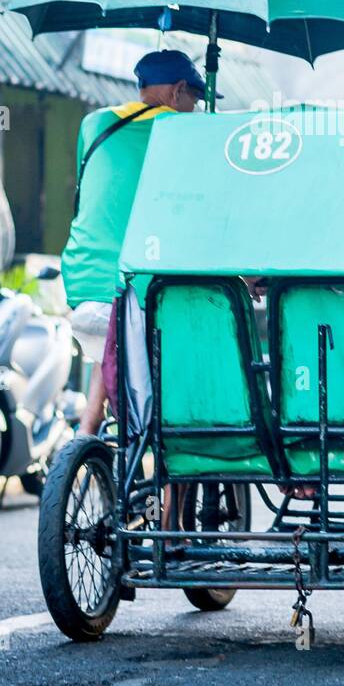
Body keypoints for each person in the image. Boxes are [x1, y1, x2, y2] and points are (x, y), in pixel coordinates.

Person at [62, 48, 214, 436]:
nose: (195, 110)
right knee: (179, 355)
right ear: (178, 91)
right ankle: (171, 480)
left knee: (114, 335)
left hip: (82, 286)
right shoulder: (185, 133)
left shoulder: (93, 124)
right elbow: (202, 221)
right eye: (195, 101)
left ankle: (87, 429)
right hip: (136, 291)